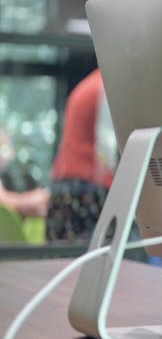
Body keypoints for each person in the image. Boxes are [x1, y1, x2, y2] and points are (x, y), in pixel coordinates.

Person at [47, 69, 117, 240]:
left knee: (64, 259)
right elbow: (107, 146)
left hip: (64, 188)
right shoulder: (108, 84)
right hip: (87, 189)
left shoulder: (88, 83)